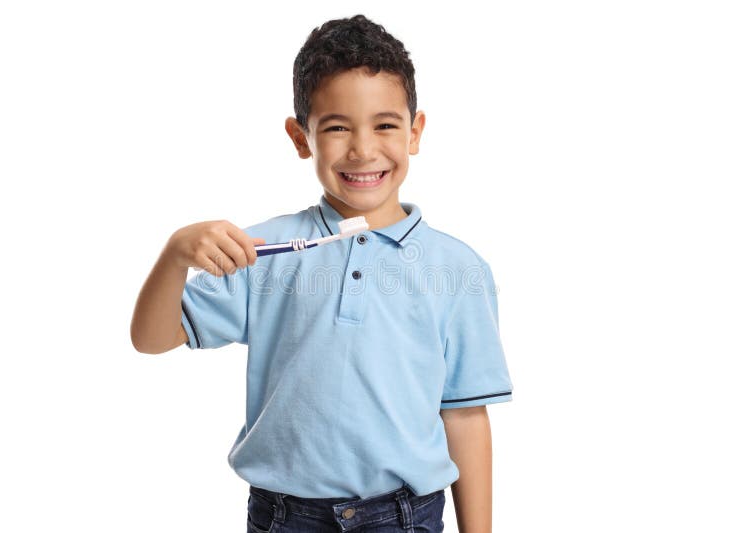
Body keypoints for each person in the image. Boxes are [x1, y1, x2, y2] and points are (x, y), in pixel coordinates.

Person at [131, 14, 513, 533]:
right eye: (336, 127)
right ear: (300, 136)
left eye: (384, 124)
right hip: (284, 517)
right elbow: (151, 339)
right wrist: (175, 254)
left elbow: (465, 416)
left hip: (405, 517)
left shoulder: (457, 270)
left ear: (415, 131)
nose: (362, 149)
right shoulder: (262, 250)